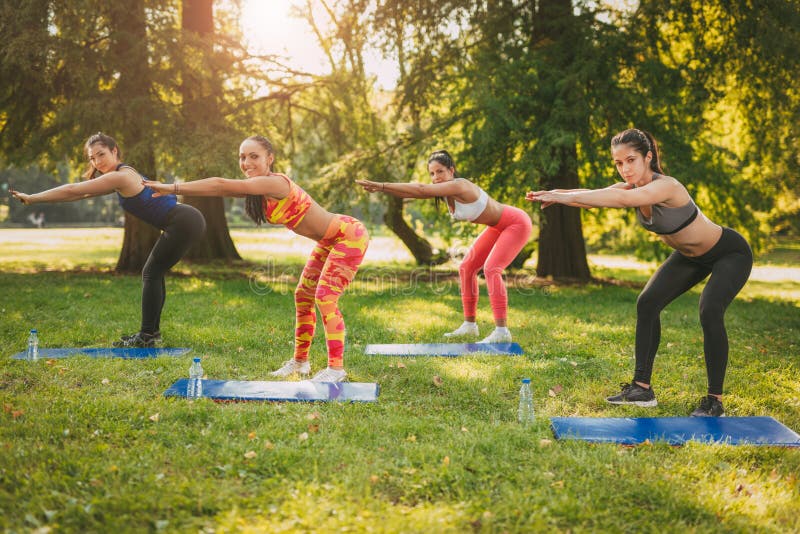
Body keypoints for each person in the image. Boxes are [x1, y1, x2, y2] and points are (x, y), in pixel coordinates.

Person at [527, 129, 752, 417]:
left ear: (649, 157)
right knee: (647, 303)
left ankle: (714, 401)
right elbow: (594, 195)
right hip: (690, 257)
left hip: (728, 253)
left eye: (631, 160)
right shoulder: (631, 188)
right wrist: (556, 195)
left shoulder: (667, 187)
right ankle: (641, 389)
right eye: (619, 163)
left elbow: (615, 200)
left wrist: (562, 196)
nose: (625, 169)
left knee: (710, 310)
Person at [145, 135, 369, 383]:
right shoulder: (258, 190)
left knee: (325, 297)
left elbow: (220, 184)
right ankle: (300, 362)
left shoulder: (275, 183)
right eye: (242, 157)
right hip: (329, 240)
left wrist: (173, 188)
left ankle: (336, 369)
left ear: (269, 159)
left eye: (254, 156)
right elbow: (220, 189)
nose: (246, 162)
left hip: (348, 235)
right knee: (302, 295)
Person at [11, 133, 206, 347]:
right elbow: (79, 194)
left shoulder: (119, 176)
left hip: (183, 221)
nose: (97, 161)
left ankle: (148, 335)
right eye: (92, 158)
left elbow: (72, 189)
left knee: (151, 272)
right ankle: (150, 333)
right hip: (182, 221)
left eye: (101, 154)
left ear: (115, 151)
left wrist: (33, 198)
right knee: (153, 272)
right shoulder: (120, 175)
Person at [356, 150, 533, 343]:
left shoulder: (460, 185)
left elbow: (420, 189)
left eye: (440, 171)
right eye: (432, 174)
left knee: (492, 269)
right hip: (498, 226)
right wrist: (384, 189)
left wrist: (381, 186)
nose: (436, 178)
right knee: (466, 268)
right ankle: (470, 326)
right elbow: (415, 191)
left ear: (451, 170)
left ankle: (502, 331)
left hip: (515, 223)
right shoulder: (446, 193)